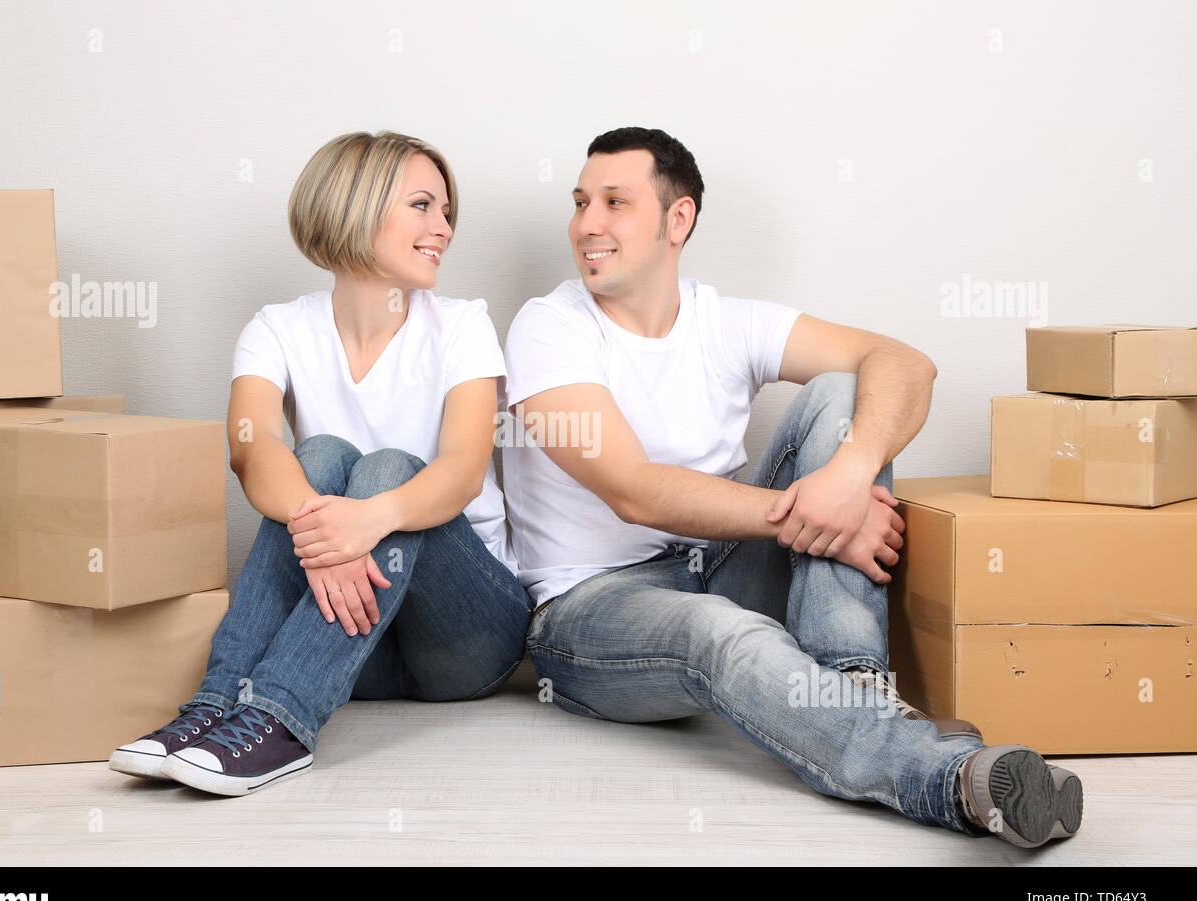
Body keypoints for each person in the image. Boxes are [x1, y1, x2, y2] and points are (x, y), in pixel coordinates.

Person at [501, 126, 1082, 848]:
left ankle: (852, 681)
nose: (587, 224)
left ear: (676, 220)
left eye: (614, 202)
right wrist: (812, 512)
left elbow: (905, 363)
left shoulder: (725, 320)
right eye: (581, 202)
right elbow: (636, 490)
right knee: (720, 631)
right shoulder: (548, 327)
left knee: (846, 391)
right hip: (590, 612)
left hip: (714, 563)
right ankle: (952, 781)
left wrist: (848, 471)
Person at [109, 130, 530, 796]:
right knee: (318, 456)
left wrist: (367, 522)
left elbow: (462, 472)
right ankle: (214, 707)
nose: (442, 228)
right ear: (356, 207)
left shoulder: (463, 326)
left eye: (447, 212)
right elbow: (251, 449)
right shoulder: (278, 328)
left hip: (466, 638)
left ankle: (279, 719)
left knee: (390, 467)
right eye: (423, 206)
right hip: (355, 649)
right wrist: (332, 537)